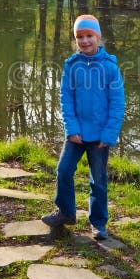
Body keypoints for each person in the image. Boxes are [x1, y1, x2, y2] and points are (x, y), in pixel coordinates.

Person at [41, 14, 125, 240]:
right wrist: (71, 129)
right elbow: (65, 99)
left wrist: (109, 134)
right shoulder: (71, 66)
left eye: (89, 35)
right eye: (80, 36)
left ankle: (98, 223)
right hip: (76, 135)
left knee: (98, 180)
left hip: (99, 137)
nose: (85, 40)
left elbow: (117, 104)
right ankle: (66, 213)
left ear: (98, 37)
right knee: (63, 170)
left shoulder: (109, 67)